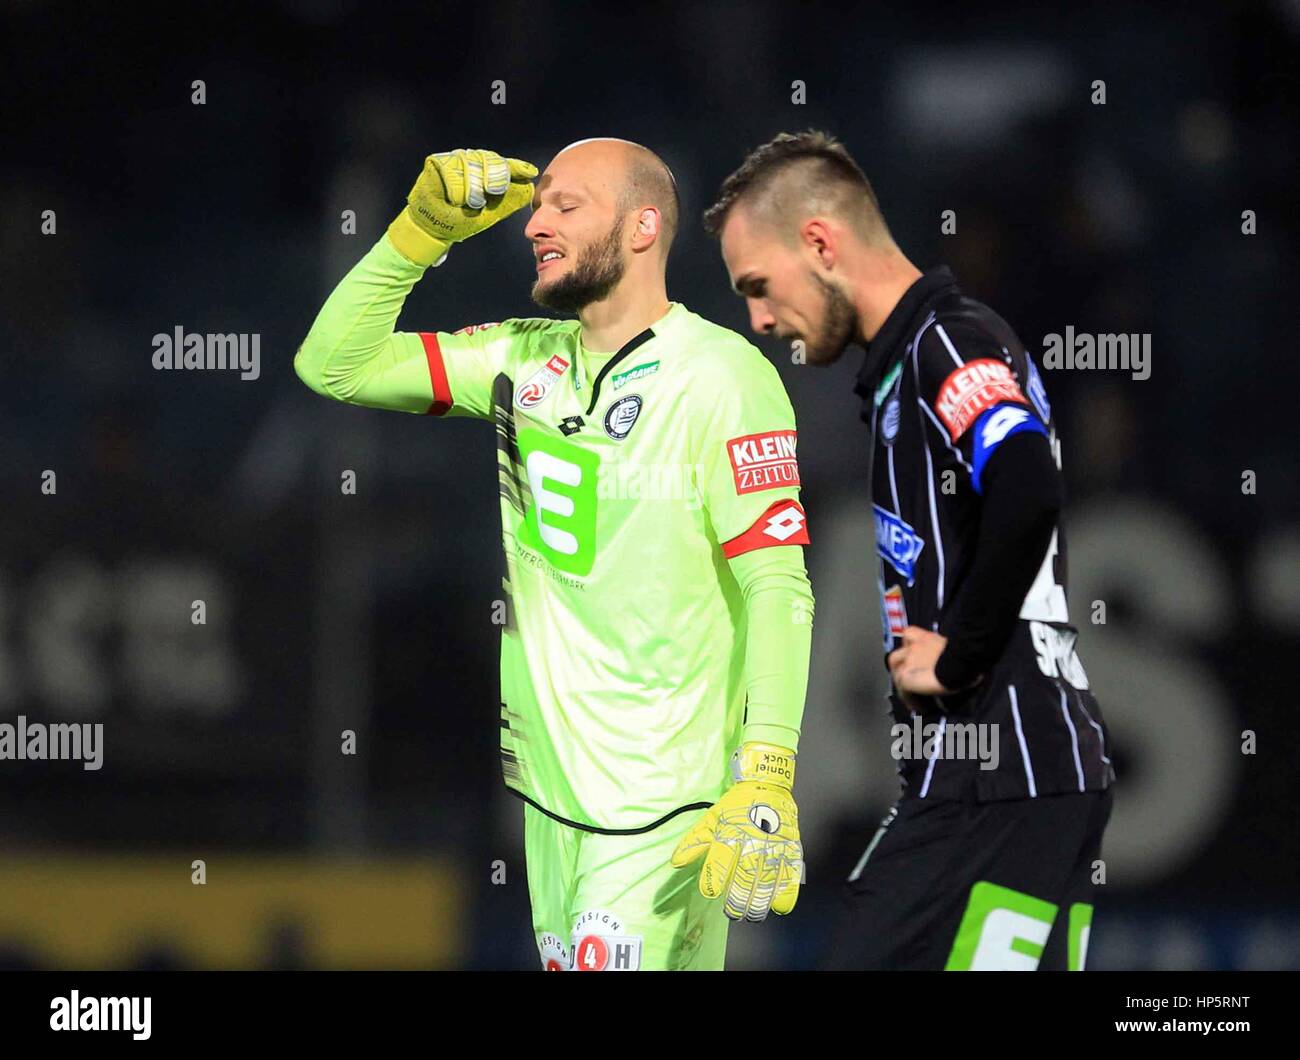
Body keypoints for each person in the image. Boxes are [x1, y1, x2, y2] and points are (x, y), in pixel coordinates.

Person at [295, 141, 814, 970]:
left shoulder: (721, 378)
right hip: (548, 800)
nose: (536, 224)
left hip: (662, 806)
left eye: (567, 206)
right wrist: (418, 235)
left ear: (643, 227)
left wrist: (768, 773)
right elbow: (333, 366)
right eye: (538, 206)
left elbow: (778, 582)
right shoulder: (520, 359)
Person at [705, 130, 1114, 970]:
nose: (758, 319)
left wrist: (961, 653)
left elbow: (1026, 483)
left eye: (759, 286)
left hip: (999, 785)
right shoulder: (907, 366)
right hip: (1009, 784)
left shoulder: (946, 342)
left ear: (820, 243)